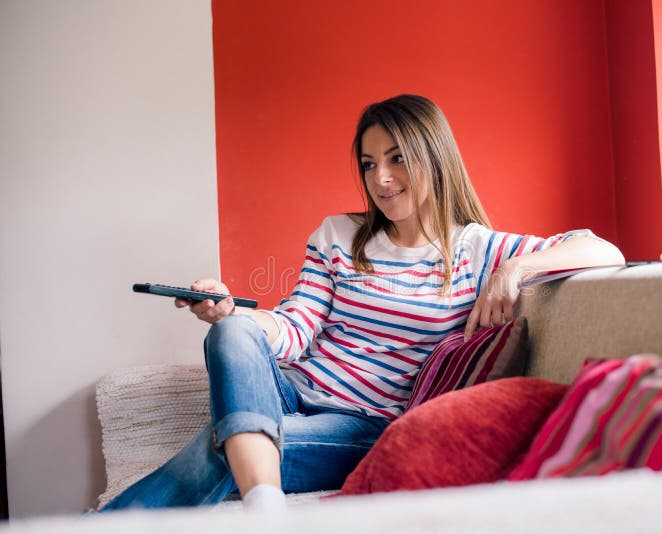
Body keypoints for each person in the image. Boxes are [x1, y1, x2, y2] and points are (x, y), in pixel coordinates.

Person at [98, 94, 624, 512]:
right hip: (289, 389)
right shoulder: (338, 234)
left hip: (363, 424)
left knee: (229, 444)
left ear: (434, 158)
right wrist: (231, 313)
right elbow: (296, 327)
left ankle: (187, 515)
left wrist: (515, 270)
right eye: (370, 164)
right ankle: (266, 503)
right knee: (231, 331)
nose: (380, 179)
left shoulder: (476, 249)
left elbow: (604, 250)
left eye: (397, 160)